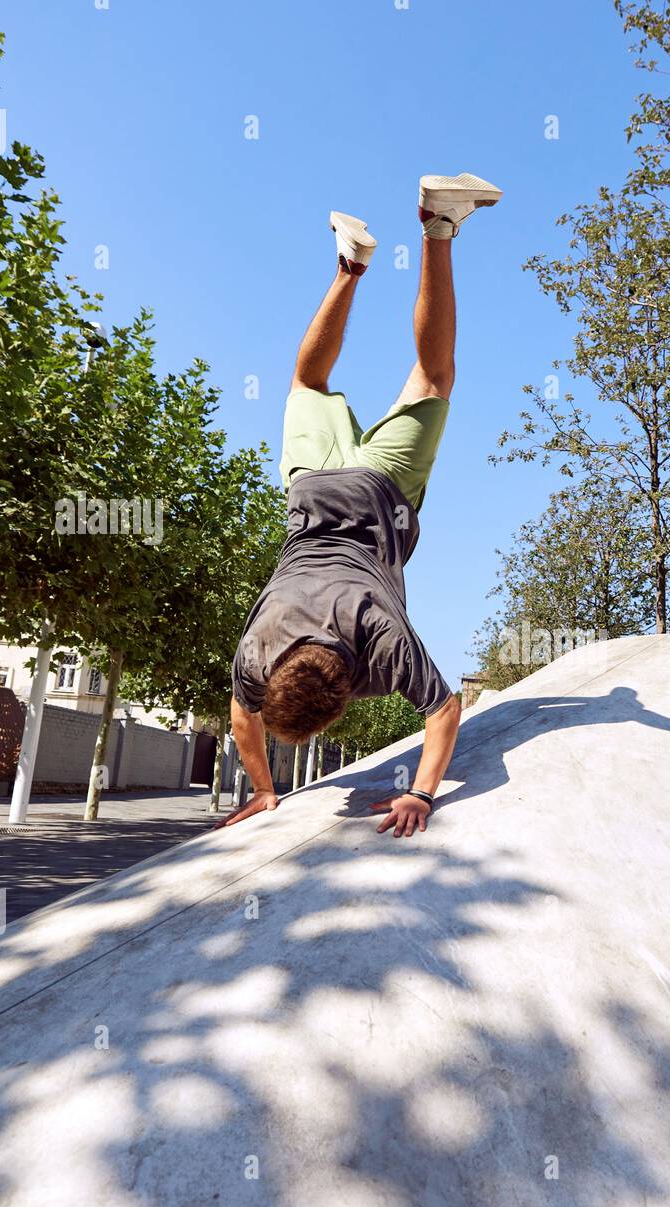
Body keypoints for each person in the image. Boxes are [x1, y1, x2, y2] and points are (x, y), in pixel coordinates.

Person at [216, 173, 502, 837]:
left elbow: (445, 709)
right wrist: (261, 785)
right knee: (306, 381)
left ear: (344, 695)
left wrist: (423, 796)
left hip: (379, 493)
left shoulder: (379, 638)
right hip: (309, 487)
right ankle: (351, 263)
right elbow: (241, 715)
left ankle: (439, 225)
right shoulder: (255, 654)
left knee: (432, 378)